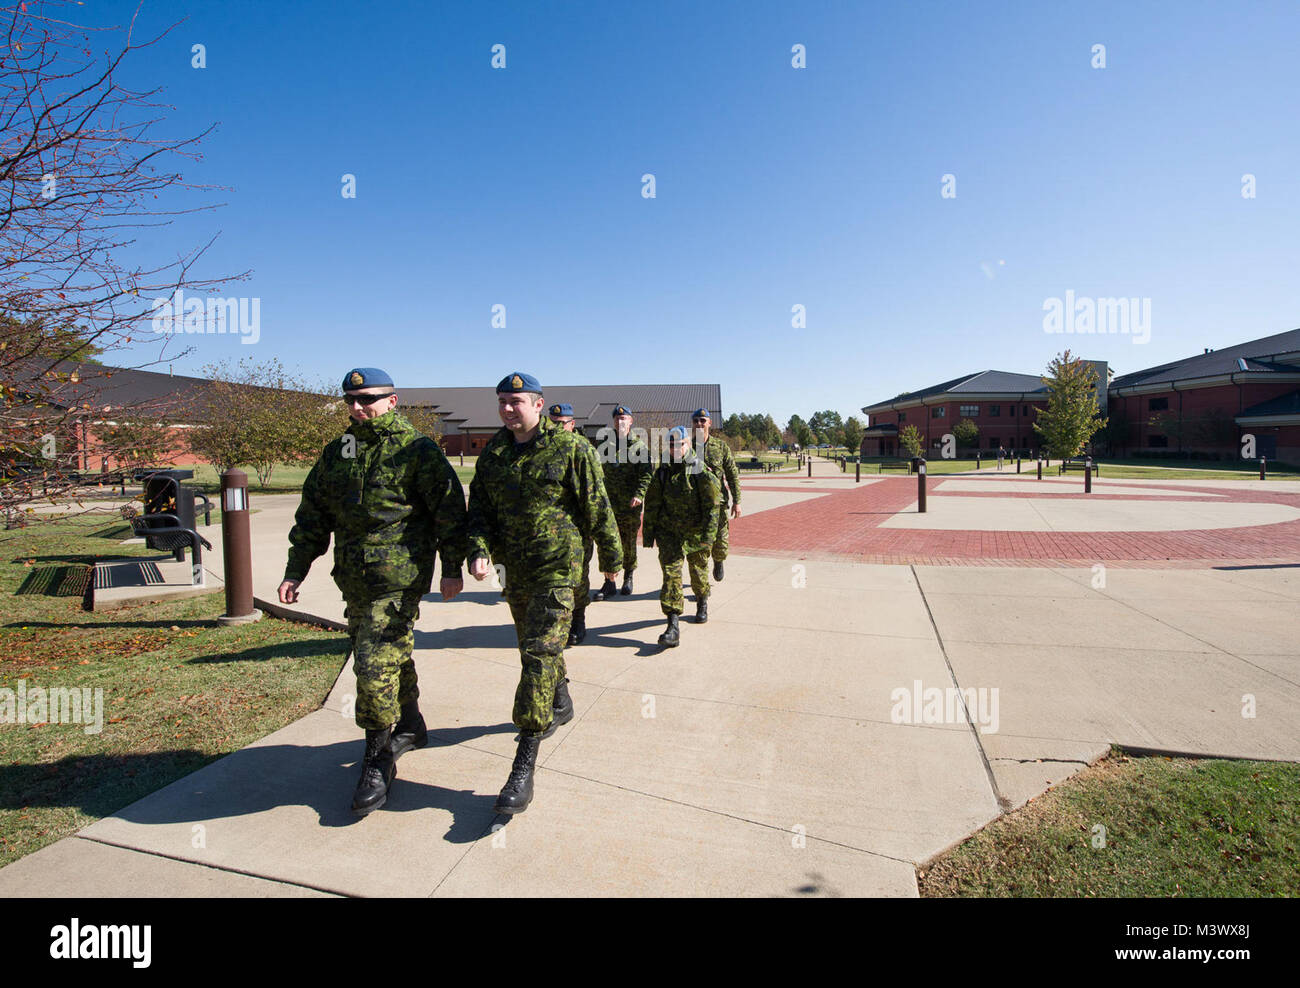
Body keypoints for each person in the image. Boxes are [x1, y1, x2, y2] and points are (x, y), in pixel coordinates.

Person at [278, 367, 466, 816]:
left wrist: (453, 567)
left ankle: (378, 756)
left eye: (368, 399)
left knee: (372, 661)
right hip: (355, 578)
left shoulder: (416, 449)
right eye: (351, 401)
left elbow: (449, 511)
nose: (358, 408)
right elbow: (313, 514)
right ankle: (413, 724)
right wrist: (295, 570)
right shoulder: (339, 450)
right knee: (388, 654)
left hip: (399, 579)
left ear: (392, 401)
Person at [466, 373, 622, 815]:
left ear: (538, 404)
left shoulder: (572, 448)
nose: (508, 409)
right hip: (514, 572)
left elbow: (597, 505)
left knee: (536, 653)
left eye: (516, 401)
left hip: (560, 569)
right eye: (502, 402)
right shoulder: (494, 454)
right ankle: (561, 696)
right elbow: (478, 510)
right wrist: (477, 551)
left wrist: (612, 559)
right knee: (534, 649)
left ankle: (524, 759)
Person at [642, 426, 720, 648]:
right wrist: (649, 534)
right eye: (672, 445)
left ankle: (702, 600)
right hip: (669, 534)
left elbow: (713, 507)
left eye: (681, 444)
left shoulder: (700, 470)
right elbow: (653, 503)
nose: (676, 448)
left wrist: (708, 537)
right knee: (671, 576)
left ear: (688, 444)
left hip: (695, 534)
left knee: (698, 574)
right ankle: (672, 625)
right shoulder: (663, 471)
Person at [547, 402, 597, 645]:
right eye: (552, 423)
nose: (555, 428)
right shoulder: (543, 447)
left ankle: (579, 618)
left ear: (572, 424)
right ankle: (561, 622)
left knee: (579, 578)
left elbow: (595, 495)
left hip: (579, 531)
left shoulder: (584, 449)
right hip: (551, 533)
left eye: (561, 424)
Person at [597, 404, 654, 599]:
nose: (620, 421)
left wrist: (639, 494)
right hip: (607, 505)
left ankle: (628, 576)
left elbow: (646, 474)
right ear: (613, 421)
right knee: (606, 542)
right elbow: (596, 472)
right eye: (617, 419)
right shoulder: (605, 445)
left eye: (624, 419)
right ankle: (609, 581)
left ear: (631, 421)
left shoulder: (639, 447)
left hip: (630, 506)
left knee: (628, 542)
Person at [689, 408, 742, 582]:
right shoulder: (686, 447)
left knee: (720, 543)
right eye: (696, 420)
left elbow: (732, 474)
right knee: (698, 547)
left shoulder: (720, 447)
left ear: (709, 423)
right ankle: (700, 583)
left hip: (717, 504)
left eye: (703, 420)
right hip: (694, 506)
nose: (699, 424)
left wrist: (737, 501)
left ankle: (718, 560)